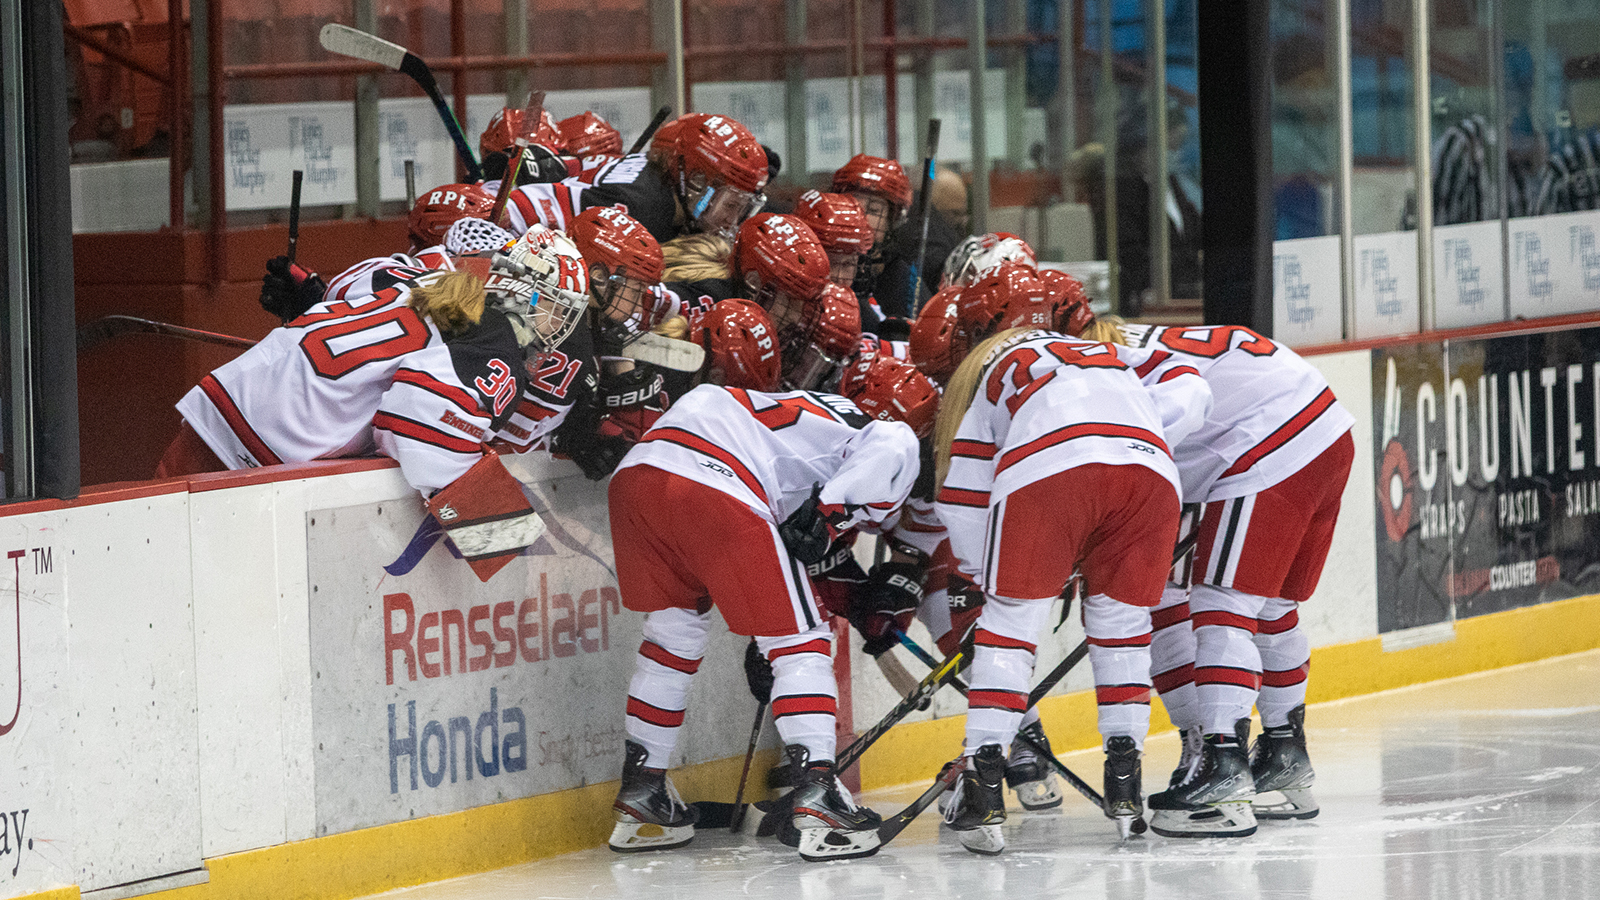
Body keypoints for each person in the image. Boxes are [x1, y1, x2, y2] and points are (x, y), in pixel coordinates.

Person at [604, 310, 922, 863]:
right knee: (801, 643)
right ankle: (819, 794)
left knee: (672, 640)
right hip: (715, 481)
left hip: (636, 481)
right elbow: (892, 445)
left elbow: (797, 535)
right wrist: (829, 516)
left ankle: (643, 792)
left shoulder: (794, 414)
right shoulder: (873, 430)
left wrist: (829, 540)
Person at [931, 326, 1211, 854]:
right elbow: (1192, 386)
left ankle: (985, 787)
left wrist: (985, 571)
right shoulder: (1112, 352)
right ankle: (1126, 785)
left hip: (1050, 466)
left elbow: (963, 489)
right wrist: (1136, 435)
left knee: (1009, 626)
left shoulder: (997, 371)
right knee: (1123, 630)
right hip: (1150, 469)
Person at [1080, 317, 1355, 838]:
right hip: (1325, 428)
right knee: (1269, 603)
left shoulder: (1096, 371)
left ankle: (1222, 762)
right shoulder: (1129, 339)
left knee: (1222, 602)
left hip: (1267, 443)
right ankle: (1282, 750)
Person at [157, 228, 591, 498]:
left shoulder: (432, 275)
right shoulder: (497, 345)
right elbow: (414, 422)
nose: (560, 324)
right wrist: (493, 525)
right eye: (557, 307)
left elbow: (346, 287)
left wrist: (311, 291)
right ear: (525, 293)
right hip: (276, 443)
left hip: (231, 396)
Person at [505, 113, 768, 244]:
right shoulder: (644, 206)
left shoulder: (651, 175)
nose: (732, 220)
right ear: (697, 181)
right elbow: (517, 210)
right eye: (732, 205)